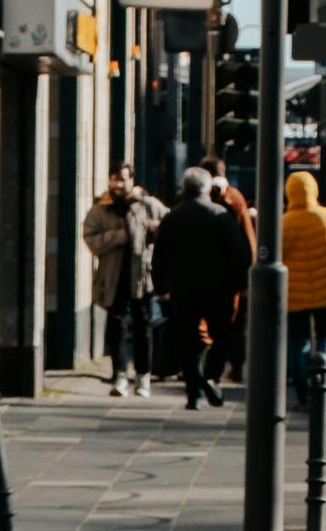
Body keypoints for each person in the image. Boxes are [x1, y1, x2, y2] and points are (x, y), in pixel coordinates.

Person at [150, 169, 249, 409]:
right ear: (207, 188)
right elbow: (238, 253)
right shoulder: (220, 215)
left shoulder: (172, 217)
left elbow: (159, 256)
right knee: (222, 336)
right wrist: (240, 284)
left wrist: (161, 288)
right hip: (219, 289)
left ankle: (194, 393)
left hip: (182, 290)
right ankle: (211, 376)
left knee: (187, 342)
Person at [83, 164, 163, 396]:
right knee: (117, 325)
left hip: (142, 277)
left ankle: (143, 376)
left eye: (123, 179)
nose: (118, 184)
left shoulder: (147, 204)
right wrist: (122, 235)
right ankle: (119, 374)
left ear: (132, 181)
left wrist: (153, 229)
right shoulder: (102, 208)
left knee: (143, 326)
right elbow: (91, 238)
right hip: (114, 277)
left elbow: (170, 226)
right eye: (114, 179)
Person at [281, 169, 326, 403]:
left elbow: (277, 257)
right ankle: (325, 375)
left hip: (295, 292)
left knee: (298, 341)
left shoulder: (284, 222)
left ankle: (303, 392)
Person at [203, 161, 256, 384]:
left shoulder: (228, 199)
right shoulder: (235, 197)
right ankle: (226, 368)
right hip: (230, 274)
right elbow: (248, 239)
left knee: (227, 326)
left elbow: (245, 240)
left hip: (217, 274)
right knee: (231, 326)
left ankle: (218, 370)